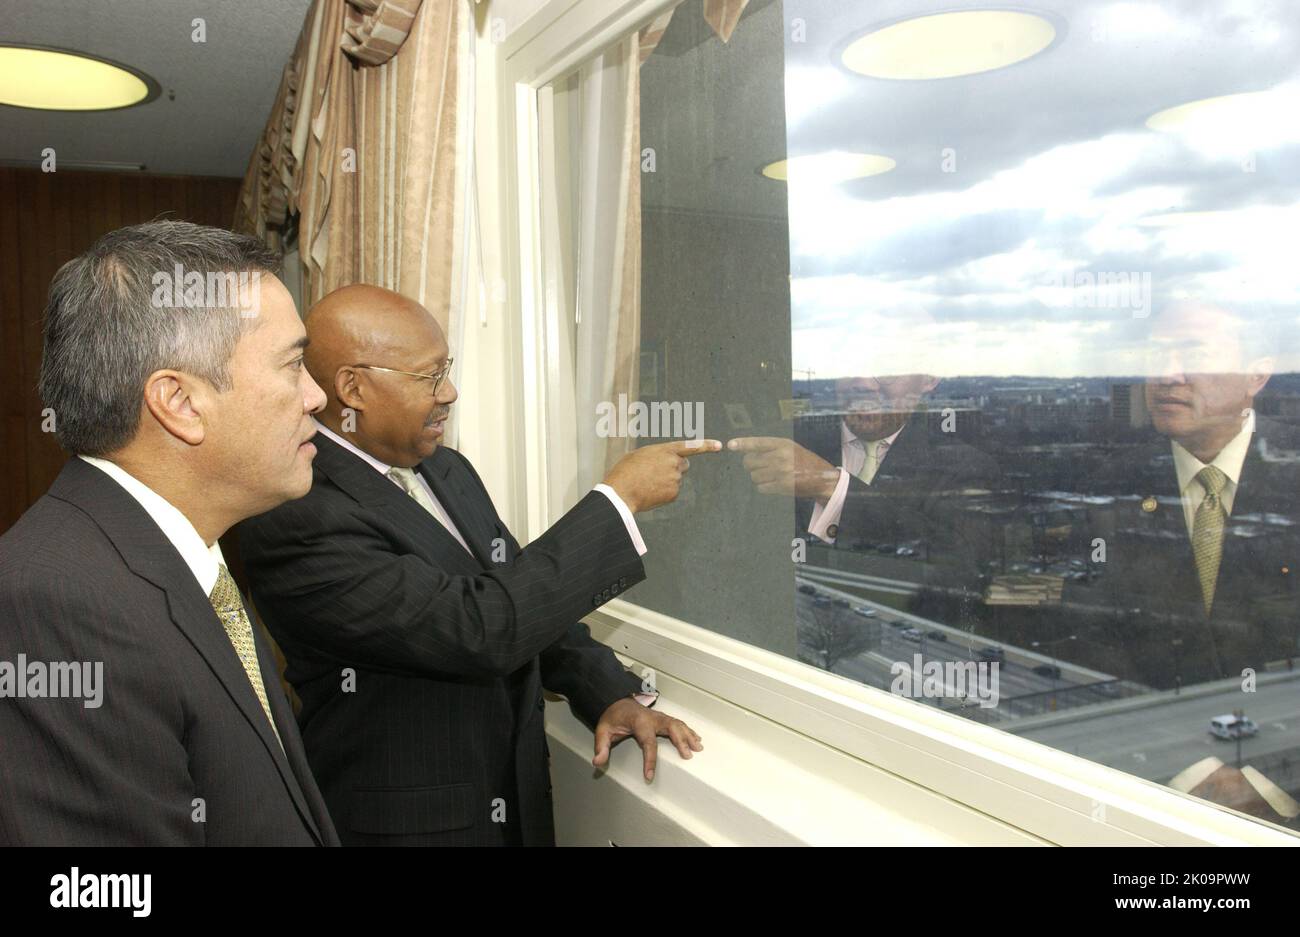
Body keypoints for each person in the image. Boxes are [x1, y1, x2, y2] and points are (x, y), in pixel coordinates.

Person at [239, 284, 716, 845]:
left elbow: (520, 594)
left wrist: (605, 690)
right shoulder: (296, 510)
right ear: (353, 388)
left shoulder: (447, 470)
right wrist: (617, 502)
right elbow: (479, 629)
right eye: (429, 376)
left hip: (514, 804)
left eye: (448, 369)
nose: (451, 391)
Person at [0, 221, 339, 845]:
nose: (317, 396)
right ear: (179, 403)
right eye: (294, 365)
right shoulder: (56, 601)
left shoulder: (175, 551)